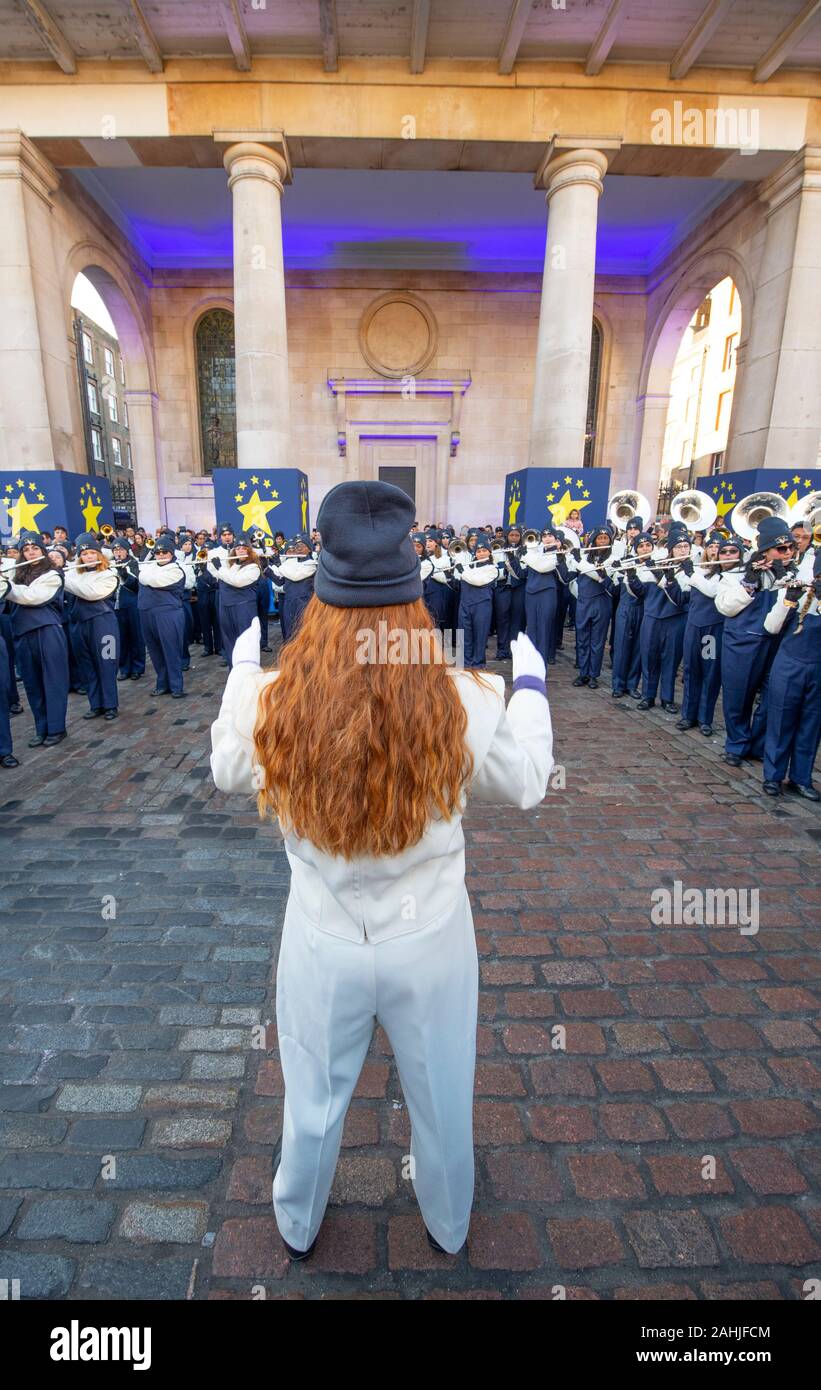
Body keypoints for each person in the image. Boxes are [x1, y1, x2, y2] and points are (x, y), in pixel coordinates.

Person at [210, 479, 552, 1260]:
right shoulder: (466, 699)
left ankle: (297, 1221)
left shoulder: (271, 703)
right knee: (440, 1096)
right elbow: (525, 780)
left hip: (323, 937)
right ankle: (448, 1219)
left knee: (311, 1097)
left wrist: (239, 674)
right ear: (414, 604)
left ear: (318, 603)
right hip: (428, 939)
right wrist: (528, 685)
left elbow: (228, 768)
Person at [715, 518, 793, 767]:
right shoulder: (735, 575)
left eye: (791, 547)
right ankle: (737, 744)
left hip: (777, 644)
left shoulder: (793, 574)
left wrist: (785, 581)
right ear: (765, 550)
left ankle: (758, 745)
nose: (788, 552)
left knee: (772, 699)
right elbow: (725, 607)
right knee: (738, 697)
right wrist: (749, 582)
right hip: (743, 644)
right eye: (781, 549)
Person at [760, 543, 821, 800]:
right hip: (790, 665)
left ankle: (801, 778)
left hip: (817, 668)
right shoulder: (795, 589)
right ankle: (773, 775)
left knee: (811, 724)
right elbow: (771, 626)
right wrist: (788, 601)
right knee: (781, 720)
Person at [4, 531, 69, 749]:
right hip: (23, 633)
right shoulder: (17, 575)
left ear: (43, 550)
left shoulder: (52, 574)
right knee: (32, 684)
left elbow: (32, 596)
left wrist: (7, 587)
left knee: (53, 680)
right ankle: (41, 727)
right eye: (26, 550)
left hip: (47, 631)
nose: (31, 553)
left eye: (35, 549)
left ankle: (57, 727)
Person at [676, 531, 729, 736]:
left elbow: (711, 590)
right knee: (691, 670)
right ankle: (688, 714)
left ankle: (705, 718)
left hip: (711, 631)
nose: (715, 551)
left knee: (709, 672)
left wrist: (691, 575)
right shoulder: (699, 569)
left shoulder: (725, 575)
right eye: (712, 547)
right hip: (693, 627)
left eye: (719, 549)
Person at [63, 533, 119, 722]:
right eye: (85, 554)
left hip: (104, 625)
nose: (89, 557)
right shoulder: (73, 574)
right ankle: (95, 704)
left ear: (99, 555)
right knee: (86, 665)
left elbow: (91, 593)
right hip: (80, 625)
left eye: (92, 553)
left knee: (107, 662)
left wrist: (65, 579)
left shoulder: (109, 574)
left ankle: (111, 704)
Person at [635, 524, 690, 713]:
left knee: (671, 660)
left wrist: (663, 577)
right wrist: (634, 575)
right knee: (649, 658)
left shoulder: (691, 569)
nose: (683, 550)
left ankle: (667, 698)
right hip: (652, 617)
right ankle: (648, 695)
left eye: (686, 547)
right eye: (679, 547)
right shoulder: (658, 561)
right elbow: (641, 589)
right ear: (670, 549)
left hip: (676, 619)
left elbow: (681, 598)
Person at [137, 534, 187, 698]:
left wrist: (143, 574)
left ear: (171, 554)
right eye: (158, 553)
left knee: (171, 650)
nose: (161, 555)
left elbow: (152, 580)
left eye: (165, 552)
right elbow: (144, 577)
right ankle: (162, 683)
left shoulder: (176, 570)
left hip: (168, 615)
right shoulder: (150, 567)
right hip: (147, 614)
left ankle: (176, 686)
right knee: (155, 651)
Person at [569, 525, 616, 689]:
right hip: (583, 602)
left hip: (602, 602)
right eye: (600, 538)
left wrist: (579, 562)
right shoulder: (584, 556)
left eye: (606, 539)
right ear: (594, 540)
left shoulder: (612, 558)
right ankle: (583, 672)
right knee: (582, 638)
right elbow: (570, 575)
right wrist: (571, 560)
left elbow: (597, 575)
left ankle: (594, 674)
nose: (602, 541)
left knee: (597, 641)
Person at [610, 531, 653, 699]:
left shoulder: (656, 566)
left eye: (648, 545)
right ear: (636, 549)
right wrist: (616, 571)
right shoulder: (628, 563)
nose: (644, 549)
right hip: (626, 608)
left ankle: (632, 685)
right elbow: (614, 587)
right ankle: (618, 685)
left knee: (638, 649)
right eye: (641, 546)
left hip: (643, 609)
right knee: (622, 647)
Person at [209, 532, 261, 668]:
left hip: (243, 609)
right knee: (229, 641)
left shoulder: (253, 568)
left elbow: (237, 581)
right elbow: (223, 578)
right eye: (238, 548)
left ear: (249, 551)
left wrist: (220, 568)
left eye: (244, 548)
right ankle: (234, 671)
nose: (241, 550)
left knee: (246, 642)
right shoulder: (232, 566)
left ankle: (248, 671)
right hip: (226, 608)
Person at [453, 532, 496, 668]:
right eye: (479, 551)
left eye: (484, 551)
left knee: (480, 636)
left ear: (489, 553)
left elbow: (477, 581)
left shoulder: (492, 568)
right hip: (465, 604)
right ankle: (465, 663)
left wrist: (462, 572)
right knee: (464, 635)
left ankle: (478, 665)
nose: (481, 553)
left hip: (481, 605)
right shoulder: (469, 567)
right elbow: (458, 577)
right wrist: (459, 568)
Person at [268, 534, 317, 644]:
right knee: (289, 633)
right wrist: (267, 568)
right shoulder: (290, 562)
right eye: (296, 546)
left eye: (301, 546)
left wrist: (279, 565)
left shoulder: (312, 564)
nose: (298, 548)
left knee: (303, 634)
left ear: (309, 549)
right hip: (289, 602)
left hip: (304, 603)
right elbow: (280, 581)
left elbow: (295, 575)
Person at [521, 528, 560, 667]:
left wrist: (525, 555)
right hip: (531, 593)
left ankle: (540, 667)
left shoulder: (557, 552)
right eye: (544, 536)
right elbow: (522, 570)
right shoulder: (535, 550)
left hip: (546, 593)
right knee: (531, 630)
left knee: (543, 631)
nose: (547, 538)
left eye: (550, 535)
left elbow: (543, 567)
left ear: (555, 538)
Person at [111, 538, 146, 681]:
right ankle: (124, 668)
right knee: (121, 638)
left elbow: (137, 586)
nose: (118, 552)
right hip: (116, 606)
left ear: (126, 551)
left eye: (121, 550)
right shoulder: (109, 564)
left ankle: (137, 667)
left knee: (136, 637)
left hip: (131, 605)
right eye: (115, 550)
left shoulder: (133, 563)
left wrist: (125, 575)